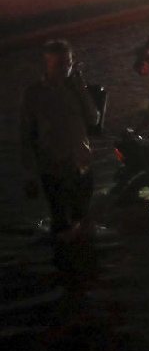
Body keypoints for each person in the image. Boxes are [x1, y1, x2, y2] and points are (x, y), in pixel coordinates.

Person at [21, 40, 100, 235]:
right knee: (61, 223)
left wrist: (81, 88)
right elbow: (27, 135)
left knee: (83, 217)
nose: (65, 69)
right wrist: (29, 174)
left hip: (81, 162)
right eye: (59, 64)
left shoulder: (75, 88)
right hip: (53, 167)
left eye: (69, 63)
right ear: (46, 64)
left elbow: (94, 118)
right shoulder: (34, 94)